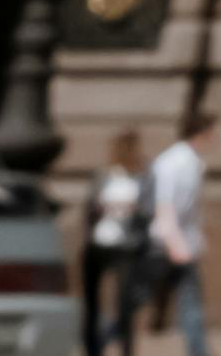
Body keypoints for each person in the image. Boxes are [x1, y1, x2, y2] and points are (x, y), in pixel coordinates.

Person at [141, 122, 211, 356]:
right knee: (139, 297)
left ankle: (199, 351)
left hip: (177, 243)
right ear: (202, 133)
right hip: (166, 243)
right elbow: (164, 205)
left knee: (189, 299)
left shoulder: (188, 161)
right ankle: (105, 335)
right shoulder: (175, 162)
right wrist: (175, 245)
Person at [77, 144, 145, 356]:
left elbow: (145, 212)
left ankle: (125, 349)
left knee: (124, 305)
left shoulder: (139, 180)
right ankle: (93, 349)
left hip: (125, 248)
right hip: (98, 245)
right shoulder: (103, 176)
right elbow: (89, 208)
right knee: (92, 304)